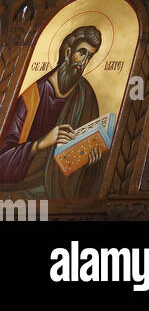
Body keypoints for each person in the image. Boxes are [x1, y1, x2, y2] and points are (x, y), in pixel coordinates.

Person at [0, 25, 106, 199]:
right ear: (68, 52)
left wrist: (93, 161)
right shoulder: (32, 96)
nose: (83, 62)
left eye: (89, 56)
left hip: (64, 183)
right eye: (82, 52)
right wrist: (42, 143)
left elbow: (88, 144)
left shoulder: (85, 94)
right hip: (27, 184)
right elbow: (3, 160)